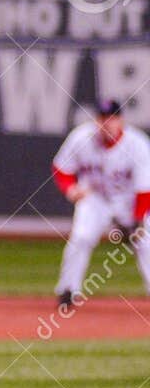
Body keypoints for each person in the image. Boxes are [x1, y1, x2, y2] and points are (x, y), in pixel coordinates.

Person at [51, 98, 150, 311]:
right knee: (81, 237)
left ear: (121, 121)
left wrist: (138, 220)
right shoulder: (80, 138)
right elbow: (61, 167)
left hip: (128, 199)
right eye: (102, 119)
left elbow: (145, 188)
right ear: (96, 121)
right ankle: (67, 290)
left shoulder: (137, 144)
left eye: (112, 118)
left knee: (146, 244)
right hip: (94, 198)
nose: (107, 124)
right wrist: (70, 189)